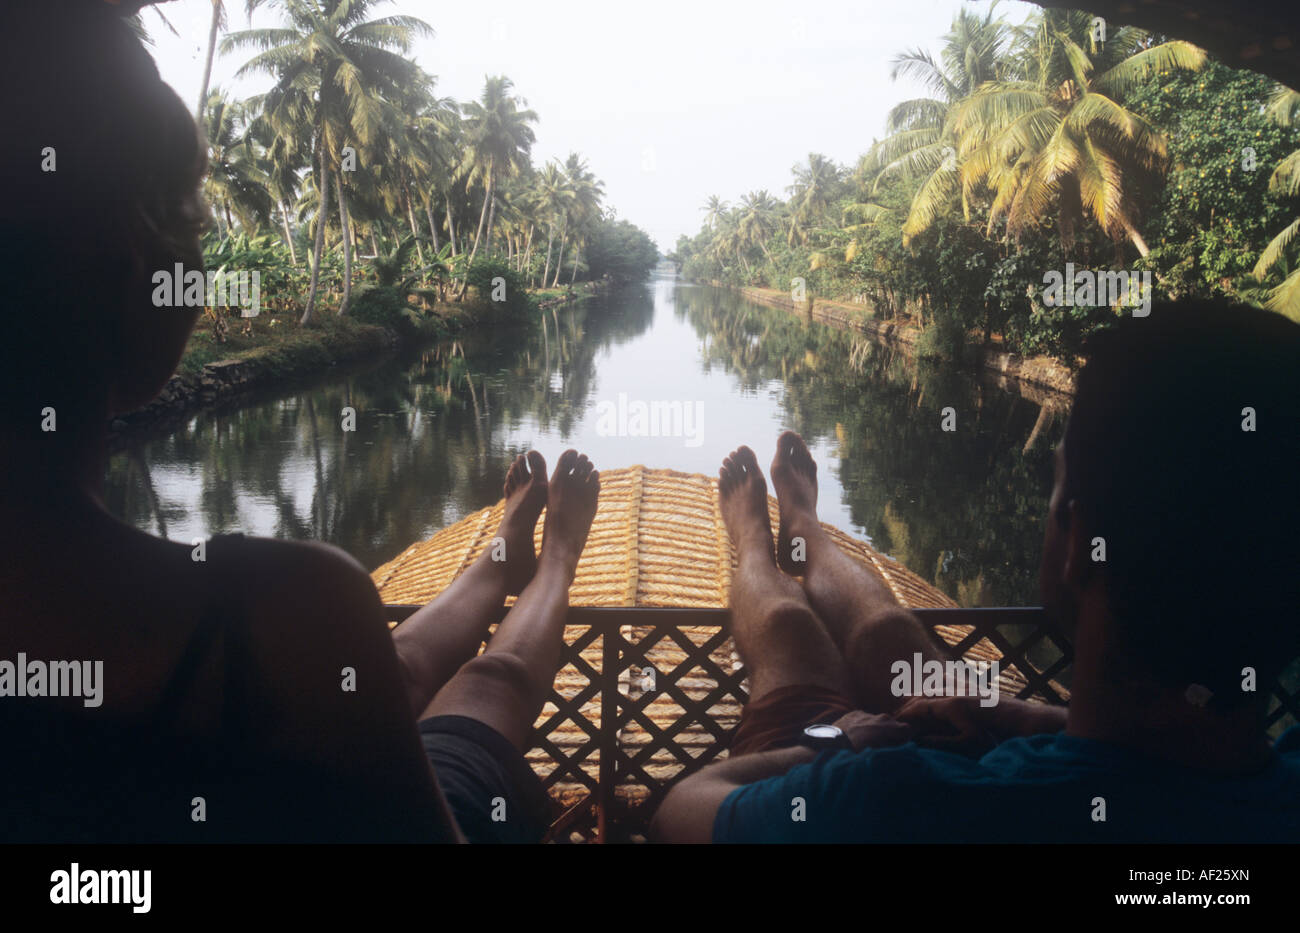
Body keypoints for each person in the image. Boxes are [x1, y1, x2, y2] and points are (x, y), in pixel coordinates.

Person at [0, 0, 601, 843]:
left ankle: (498, 564)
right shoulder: (289, 608)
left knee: (379, 670)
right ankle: (556, 561)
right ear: (128, 263)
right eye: (192, 220)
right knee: (483, 688)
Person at [651, 302, 1300, 843]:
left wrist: (836, 745)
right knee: (898, 647)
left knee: (793, 637)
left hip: (857, 752)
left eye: (1055, 496)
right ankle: (808, 529)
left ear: (1076, 545)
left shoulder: (888, 803)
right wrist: (1016, 713)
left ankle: (761, 543)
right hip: (1011, 745)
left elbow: (680, 809)